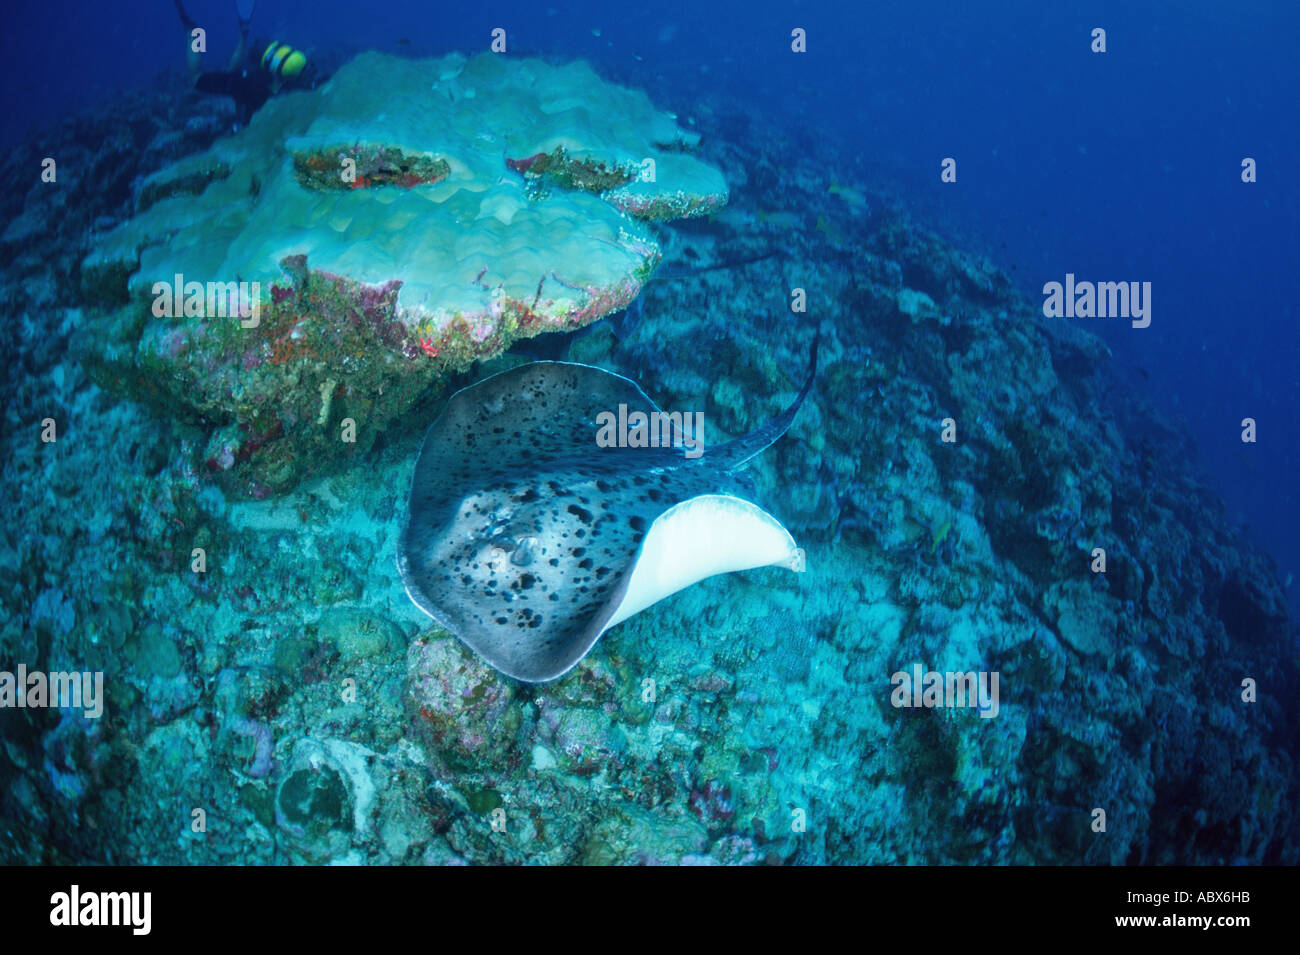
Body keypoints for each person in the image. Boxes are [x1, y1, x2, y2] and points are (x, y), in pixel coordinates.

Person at [175, 0, 314, 126]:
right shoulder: (295, 87)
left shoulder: (253, 87)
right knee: (217, 78)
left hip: (250, 81)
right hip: (257, 83)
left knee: (197, 78)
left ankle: (195, 33)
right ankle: (197, 34)